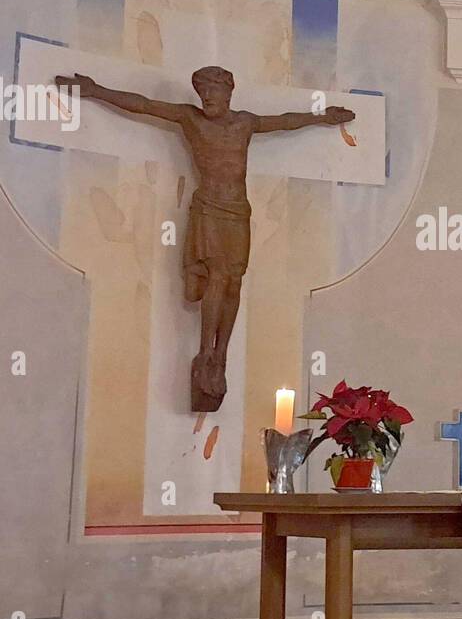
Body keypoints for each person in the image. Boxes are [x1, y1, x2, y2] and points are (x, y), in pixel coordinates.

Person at [55, 66, 354, 409]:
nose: (208, 98)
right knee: (217, 277)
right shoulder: (190, 119)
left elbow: (286, 120)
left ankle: (222, 355)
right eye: (202, 92)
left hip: (238, 210)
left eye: (214, 91)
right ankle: (206, 353)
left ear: (229, 92)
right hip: (209, 207)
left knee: (235, 281)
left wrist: (322, 117)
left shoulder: (245, 123)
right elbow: (142, 104)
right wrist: (96, 90)